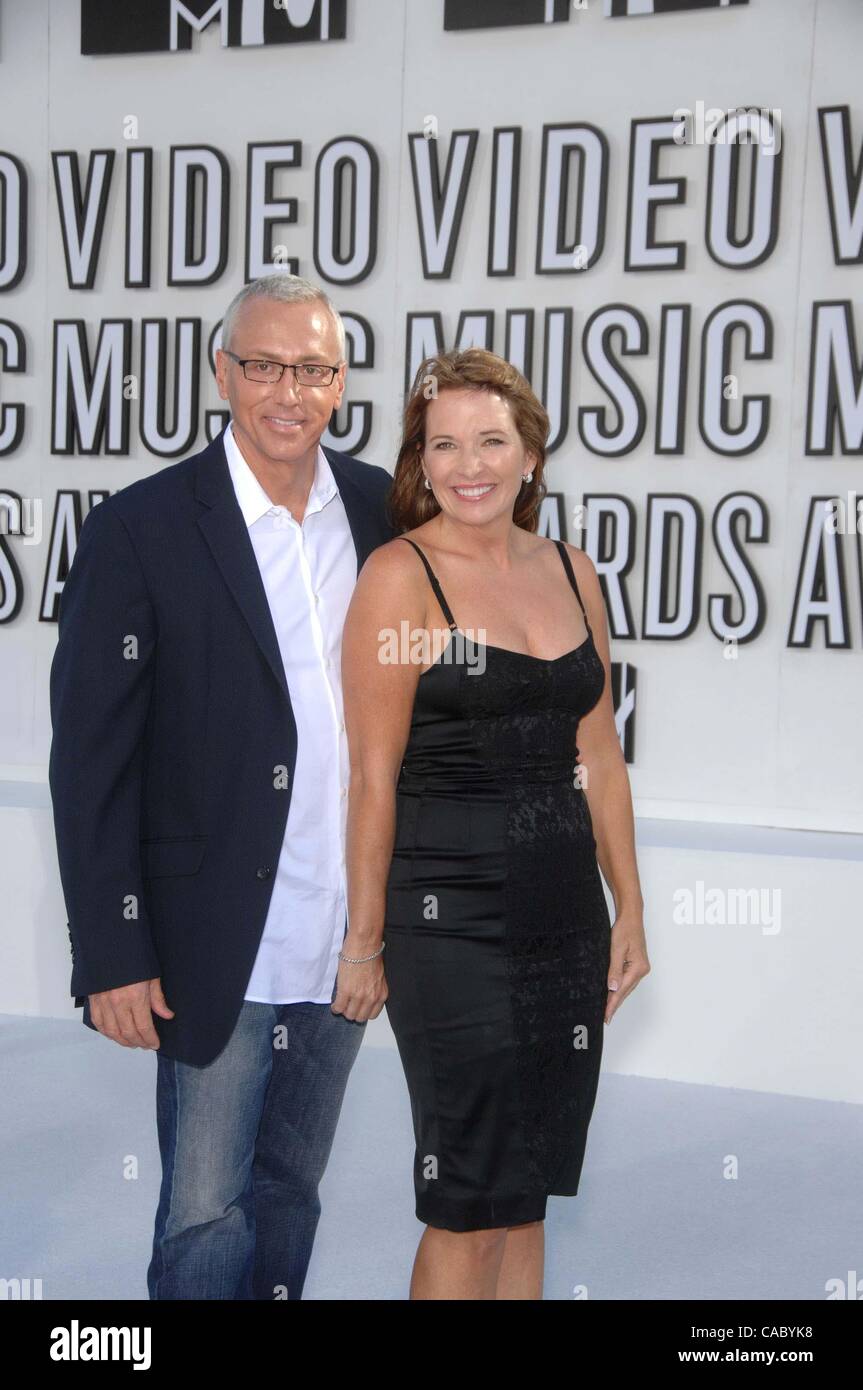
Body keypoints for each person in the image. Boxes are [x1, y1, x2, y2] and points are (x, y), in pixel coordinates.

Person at [48, 273, 394, 1300]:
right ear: (221, 373)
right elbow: (92, 758)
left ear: (338, 384)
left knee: (291, 1188)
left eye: (312, 369)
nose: (286, 391)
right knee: (204, 1212)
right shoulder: (141, 528)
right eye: (262, 366)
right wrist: (111, 950)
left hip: (343, 932)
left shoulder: (381, 512)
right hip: (212, 933)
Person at [340, 347, 649, 1300]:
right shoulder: (400, 577)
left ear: (530, 457)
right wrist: (361, 945)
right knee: (468, 1195)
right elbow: (371, 777)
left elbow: (598, 755)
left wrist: (628, 907)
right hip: (449, 925)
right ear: (418, 461)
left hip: (563, 917)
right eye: (443, 445)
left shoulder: (573, 570)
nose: (467, 465)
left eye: (489, 441)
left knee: (527, 1190)